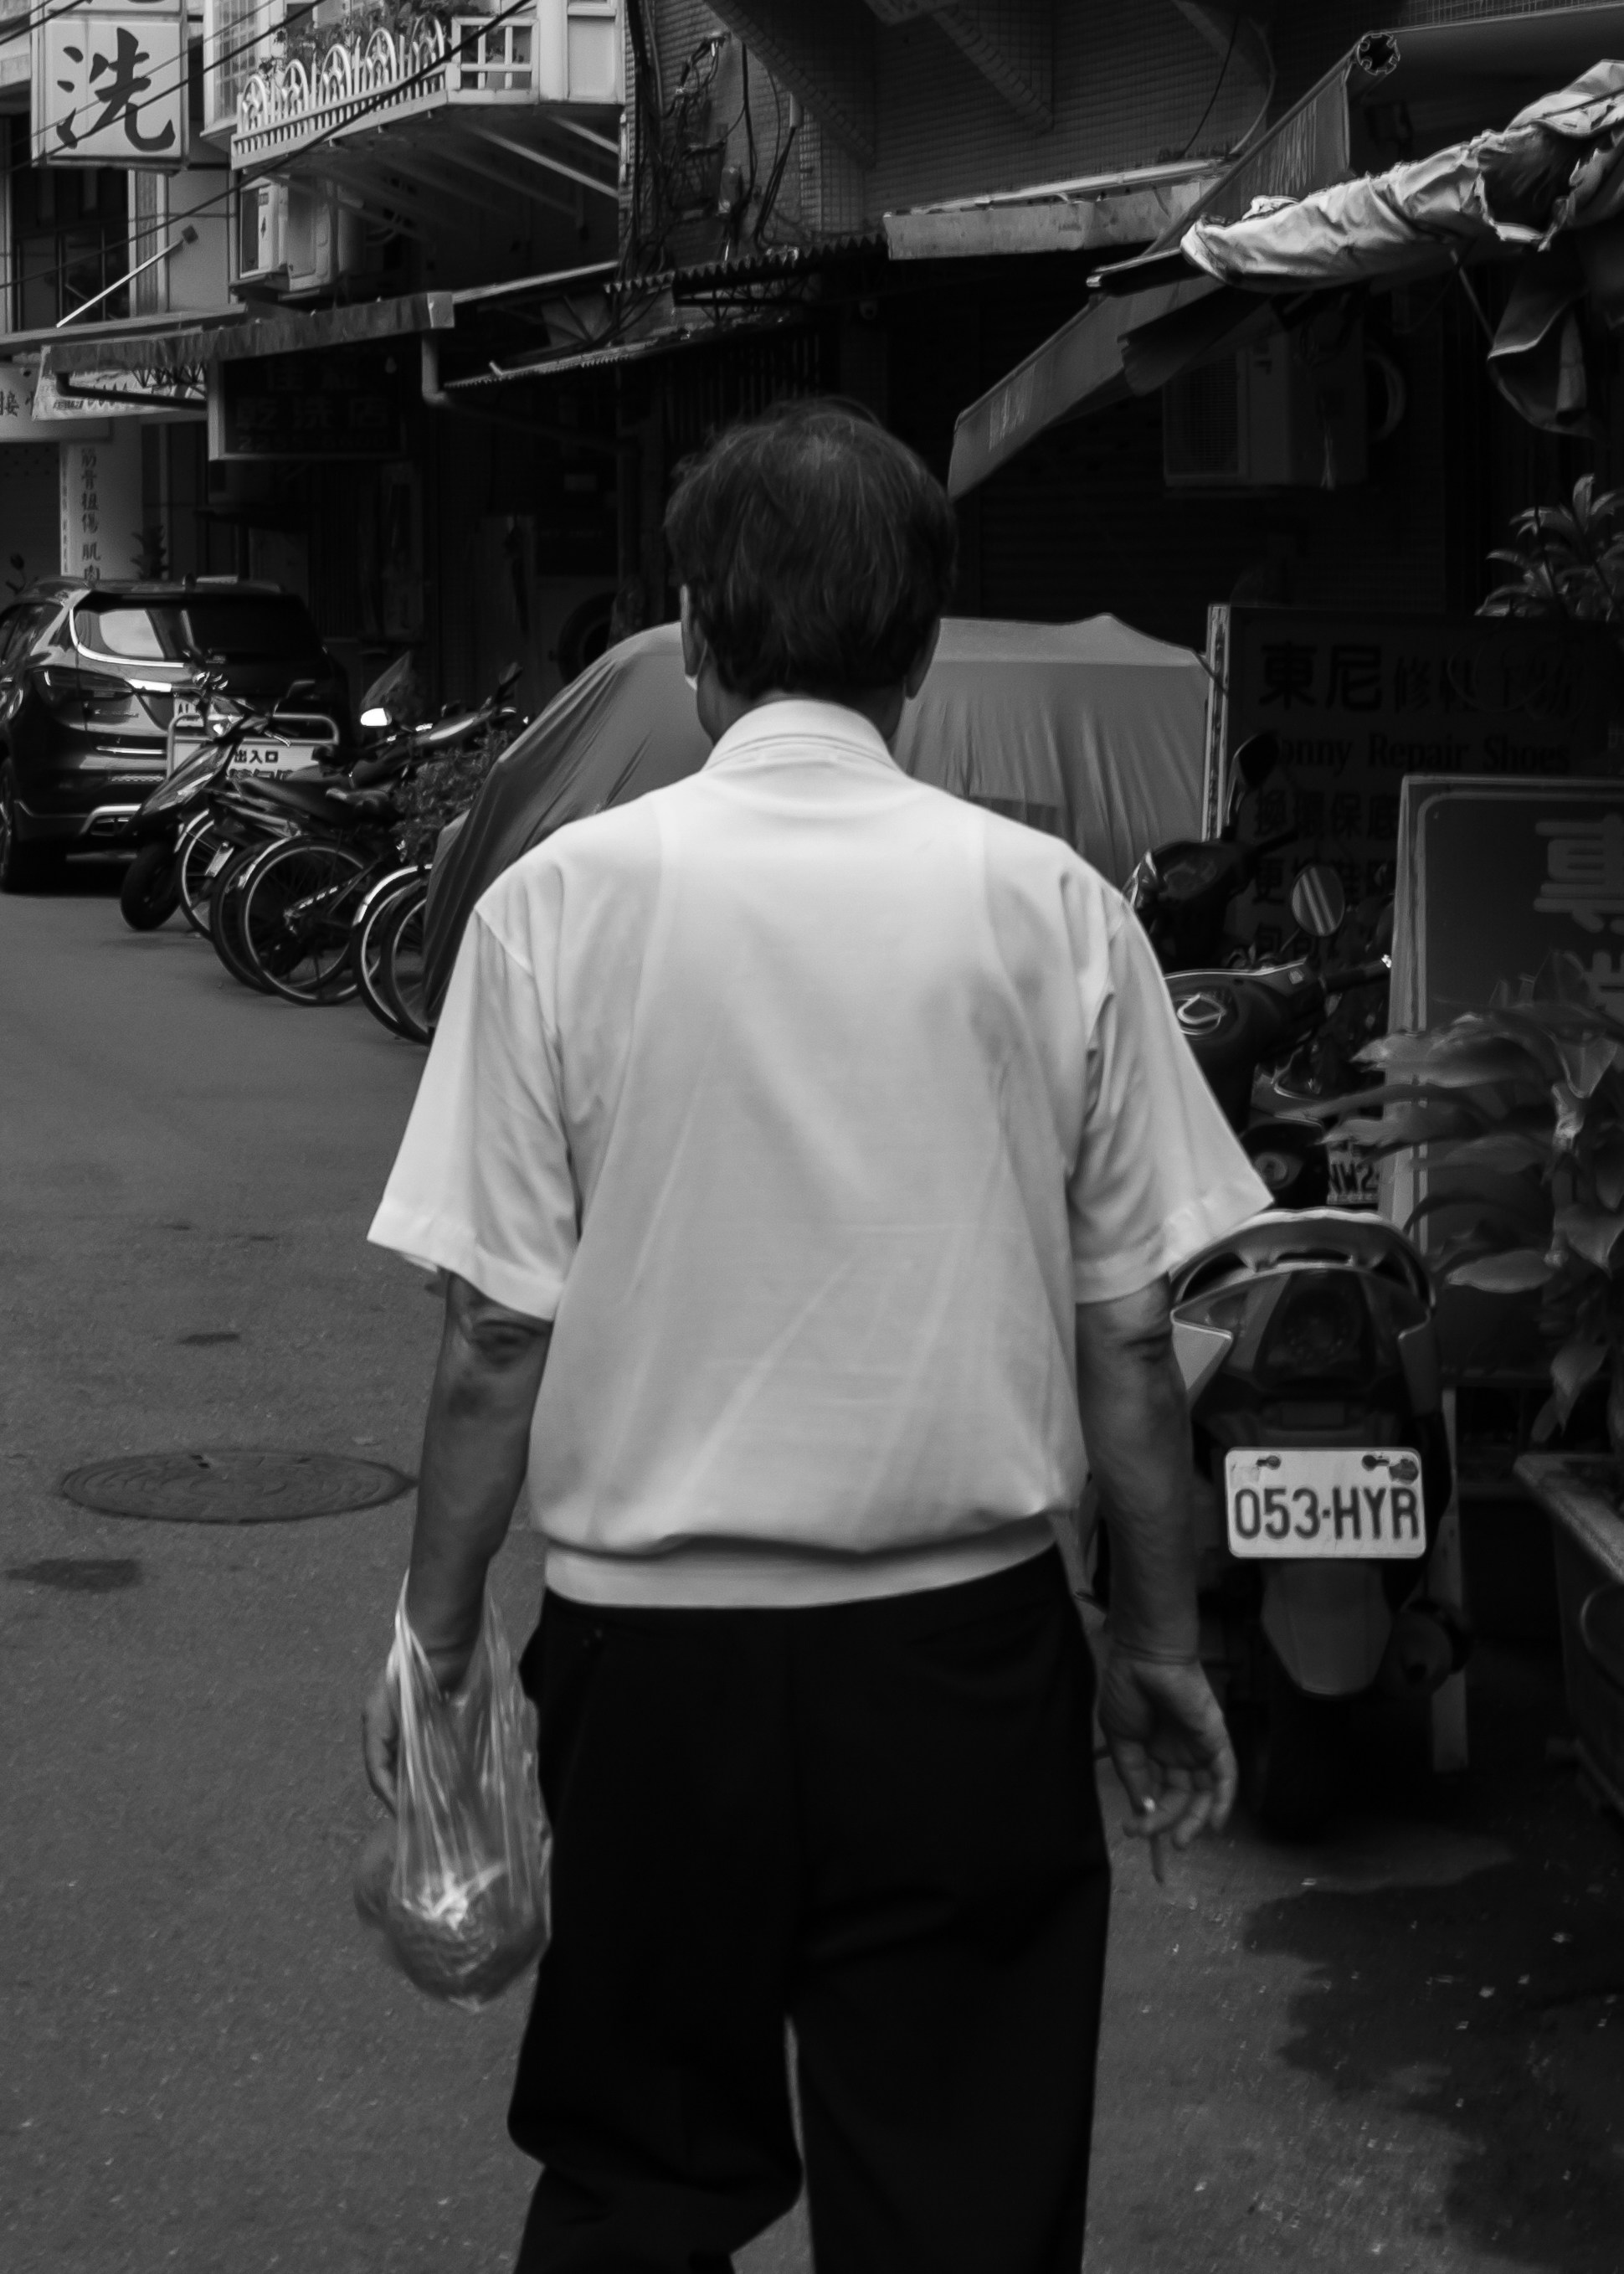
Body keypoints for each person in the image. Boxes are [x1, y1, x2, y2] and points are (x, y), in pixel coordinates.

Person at [362, 401, 1270, 2274]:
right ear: (920, 652)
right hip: (963, 1663)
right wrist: (1157, 1639)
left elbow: (489, 1344)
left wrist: (437, 1646)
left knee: (640, 2172)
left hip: (648, 1673)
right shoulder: (1058, 913)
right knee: (959, 2190)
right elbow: (1129, 1345)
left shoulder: (556, 909)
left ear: (692, 632)